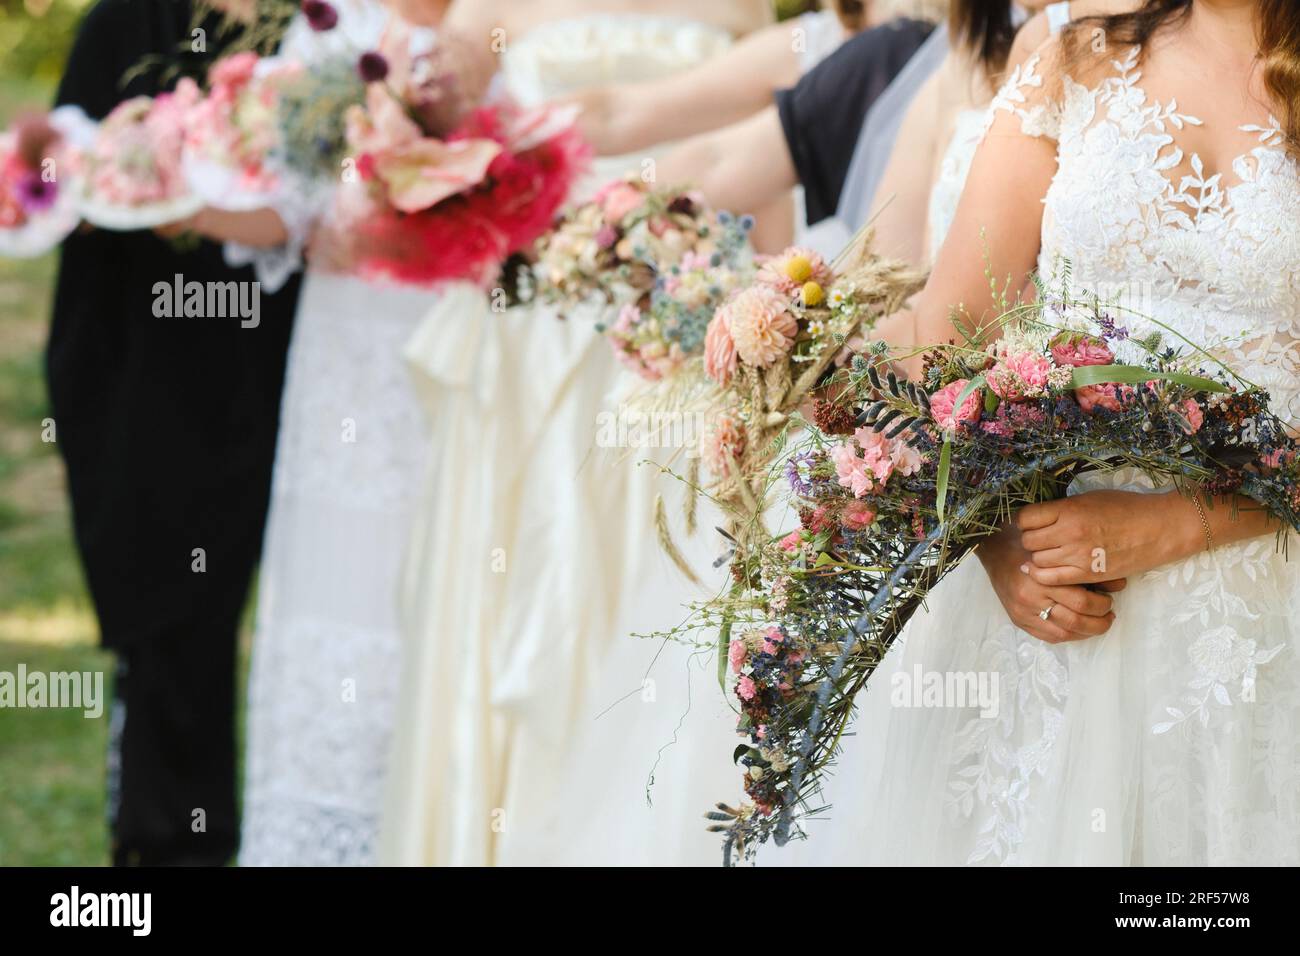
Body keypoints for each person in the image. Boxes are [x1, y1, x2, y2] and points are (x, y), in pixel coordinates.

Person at [831, 0, 1300, 865]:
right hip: (1056, 628)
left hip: (1271, 619)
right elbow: (948, 346)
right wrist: (996, 541)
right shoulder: (1070, 60)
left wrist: (1173, 523)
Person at [380, 0, 775, 867]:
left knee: (665, 580)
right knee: (524, 575)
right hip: (539, 337)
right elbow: (434, 136)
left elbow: (781, 153)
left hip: (686, 335)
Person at [44, 0, 300, 865]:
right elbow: (61, 179)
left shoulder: (320, 28)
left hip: (287, 353)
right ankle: (168, 845)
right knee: (169, 613)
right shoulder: (122, 25)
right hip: (142, 361)